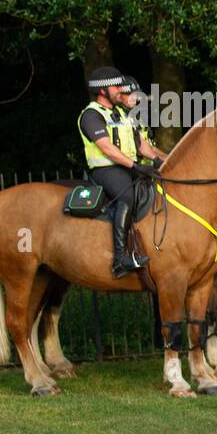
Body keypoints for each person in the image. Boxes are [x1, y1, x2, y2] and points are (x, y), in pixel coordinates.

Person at [77, 66, 165, 276]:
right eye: (116, 86)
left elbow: (141, 144)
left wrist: (159, 161)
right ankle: (120, 258)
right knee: (126, 193)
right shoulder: (91, 115)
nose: (120, 90)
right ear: (102, 91)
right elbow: (107, 148)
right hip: (106, 169)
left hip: (127, 166)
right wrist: (135, 166)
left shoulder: (121, 114)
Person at [116, 75, 169, 167]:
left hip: (145, 168)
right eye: (129, 94)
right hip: (126, 169)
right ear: (119, 96)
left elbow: (150, 147)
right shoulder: (116, 117)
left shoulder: (137, 117)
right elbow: (140, 149)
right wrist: (159, 159)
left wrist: (169, 159)